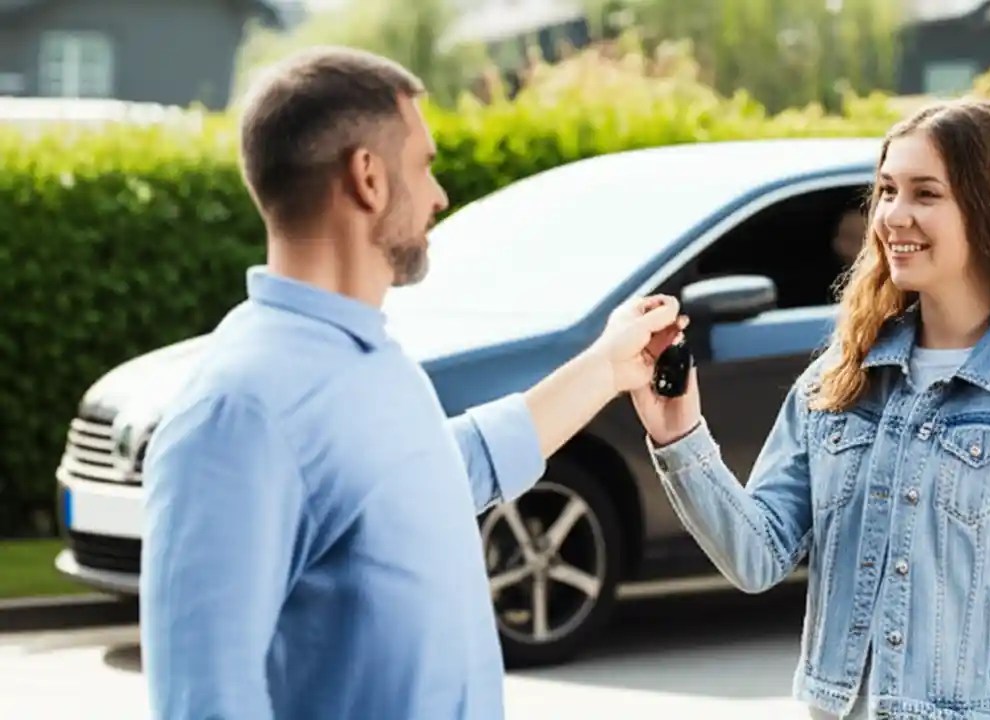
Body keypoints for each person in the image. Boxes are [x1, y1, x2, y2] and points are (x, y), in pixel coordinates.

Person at [139, 46, 686, 720]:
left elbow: (444, 475)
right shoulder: (237, 410)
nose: (439, 195)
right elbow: (205, 703)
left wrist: (607, 367)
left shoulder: (372, 359)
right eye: (424, 165)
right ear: (367, 177)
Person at [631, 98, 990, 720]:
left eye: (925, 193)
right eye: (887, 190)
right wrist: (679, 435)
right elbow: (756, 558)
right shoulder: (843, 374)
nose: (894, 215)